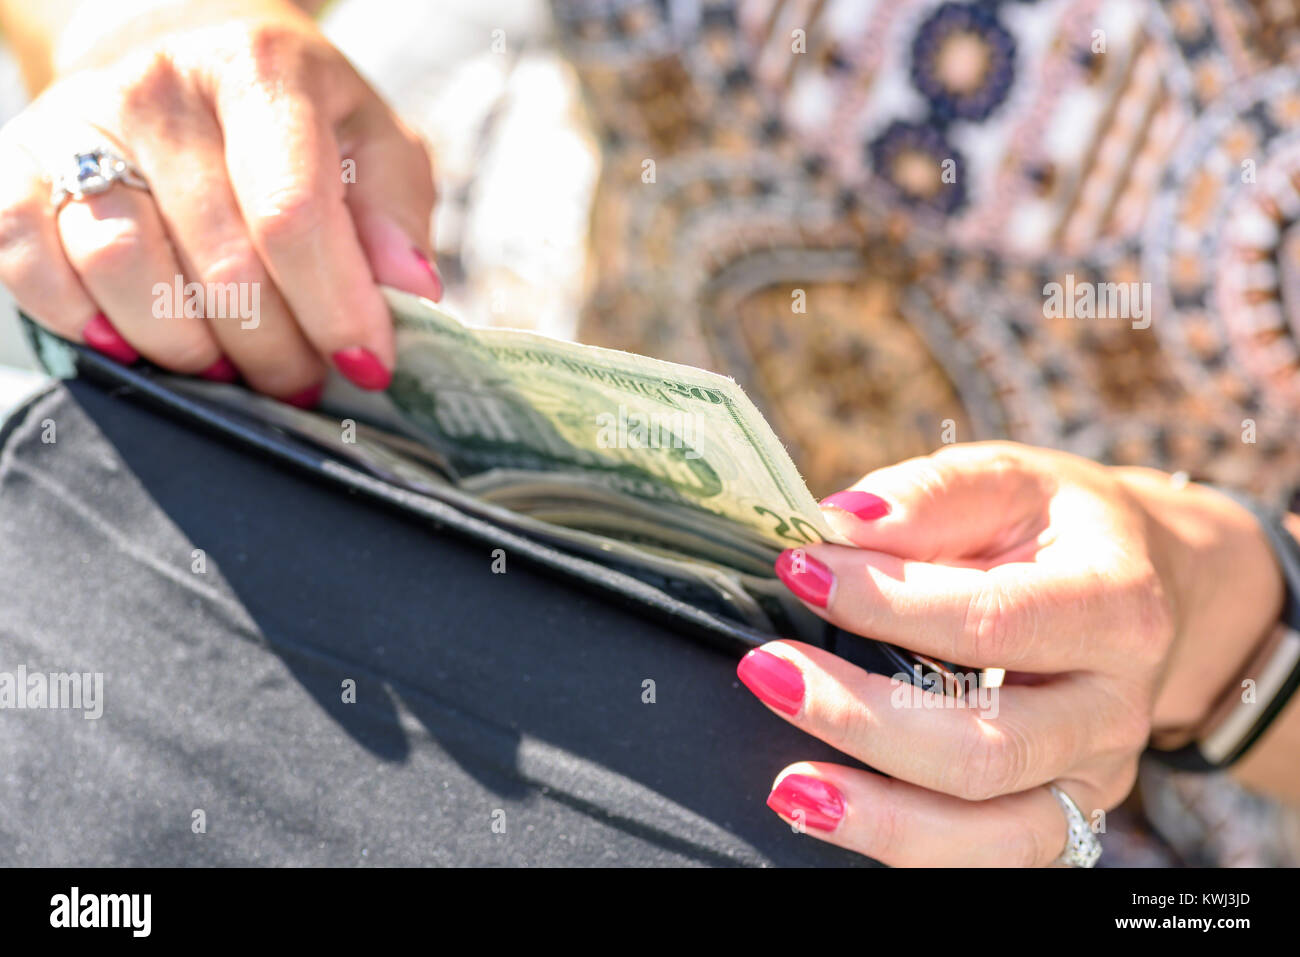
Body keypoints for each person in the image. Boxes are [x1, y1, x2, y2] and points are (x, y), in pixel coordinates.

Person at [0, 0, 1297, 866]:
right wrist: (214, 97)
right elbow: (162, 34)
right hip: (476, 475)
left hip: (1128, 787)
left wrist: (1220, 615)